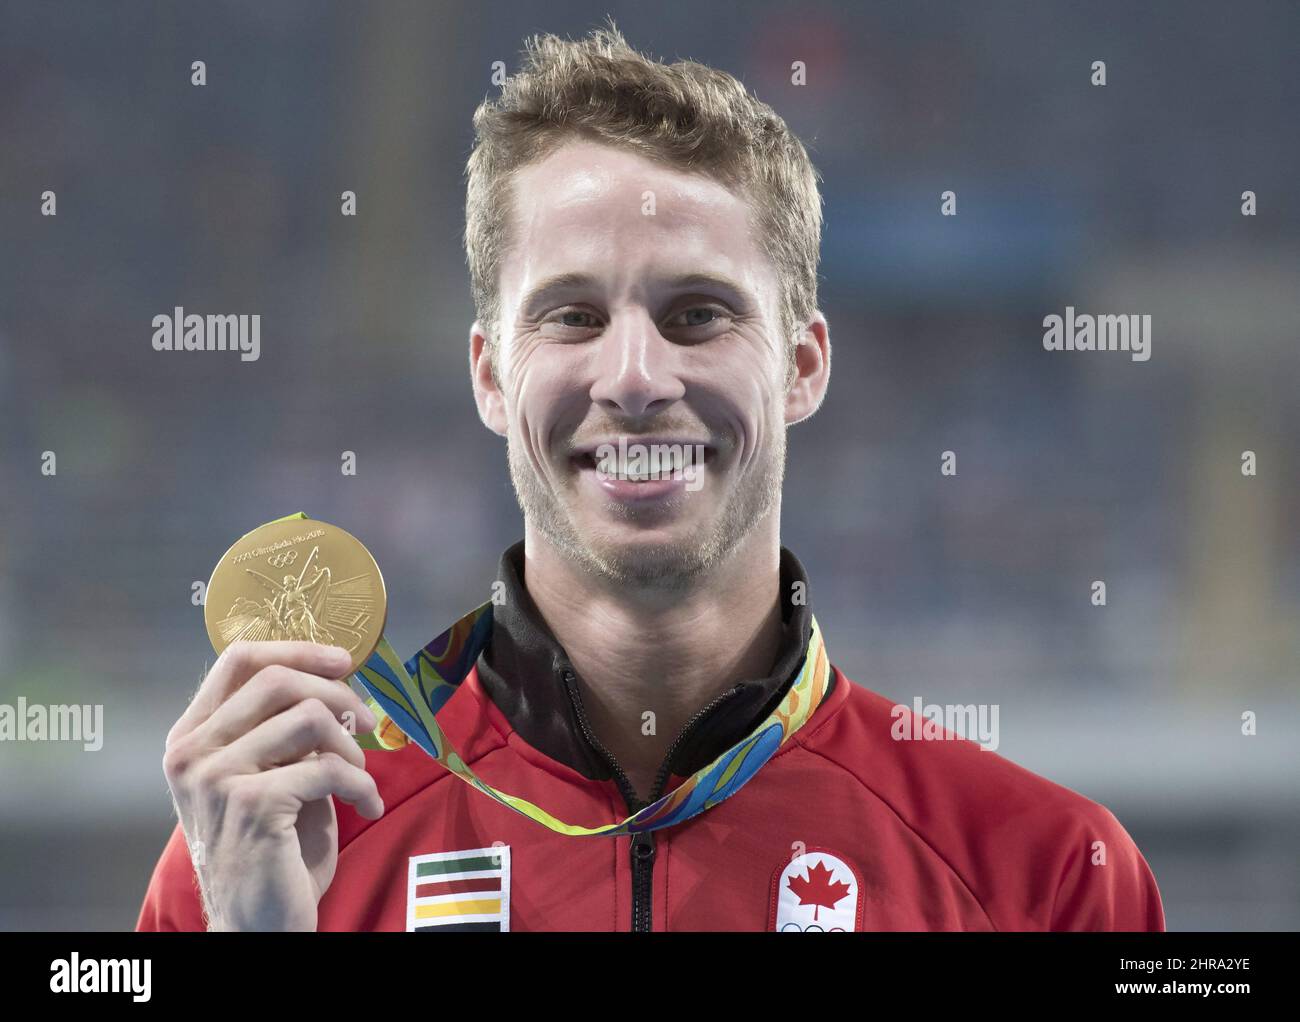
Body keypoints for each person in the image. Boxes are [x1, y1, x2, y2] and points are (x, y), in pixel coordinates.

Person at [137, 23, 1164, 932]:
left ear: (802, 364)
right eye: (573, 315)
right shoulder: (263, 851)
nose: (633, 377)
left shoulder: (1047, 870)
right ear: (491, 373)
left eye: (698, 314)